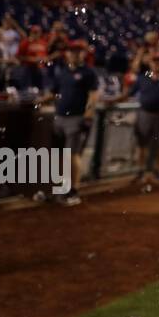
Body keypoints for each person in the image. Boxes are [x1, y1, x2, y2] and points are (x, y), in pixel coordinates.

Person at [42, 44, 101, 205]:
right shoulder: (63, 72)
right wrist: (38, 100)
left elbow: (93, 95)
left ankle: (73, 190)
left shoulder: (88, 73)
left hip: (76, 118)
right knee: (59, 155)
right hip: (60, 117)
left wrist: (88, 115)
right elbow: (53, 92)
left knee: (72, 155)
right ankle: (60, 188)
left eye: (78, 52)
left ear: (82, 54)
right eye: (72, 51)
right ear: (67, 53)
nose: (75, 54)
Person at [120, 52, 159, 183]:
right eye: (155, 61)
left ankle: (156, 171)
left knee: (158, 145)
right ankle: (141, 171)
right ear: (150, 63)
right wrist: (115, 100)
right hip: (144, 113)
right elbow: (130, 92)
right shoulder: (144, 77)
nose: (157, 63)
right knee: (142, 144)